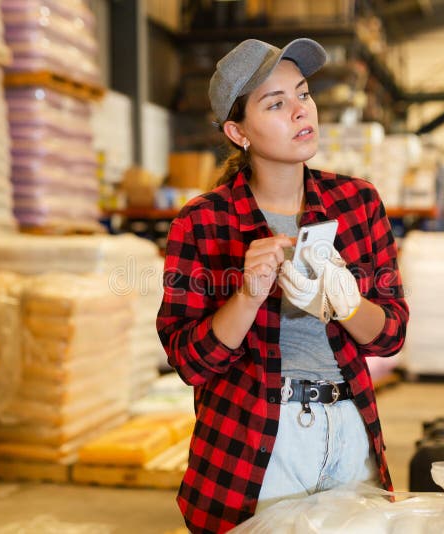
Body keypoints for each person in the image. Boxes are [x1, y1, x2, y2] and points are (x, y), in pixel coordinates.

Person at [156, 37, 409, 534]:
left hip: (349, 427)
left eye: (304, 94)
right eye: (276, 103)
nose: (300, 112)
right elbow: (189, 361)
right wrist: (248, 293)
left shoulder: (356, 202)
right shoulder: (203, 222)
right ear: (238, 131)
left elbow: (390, 334)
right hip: (257, 441)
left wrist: (344, 300)